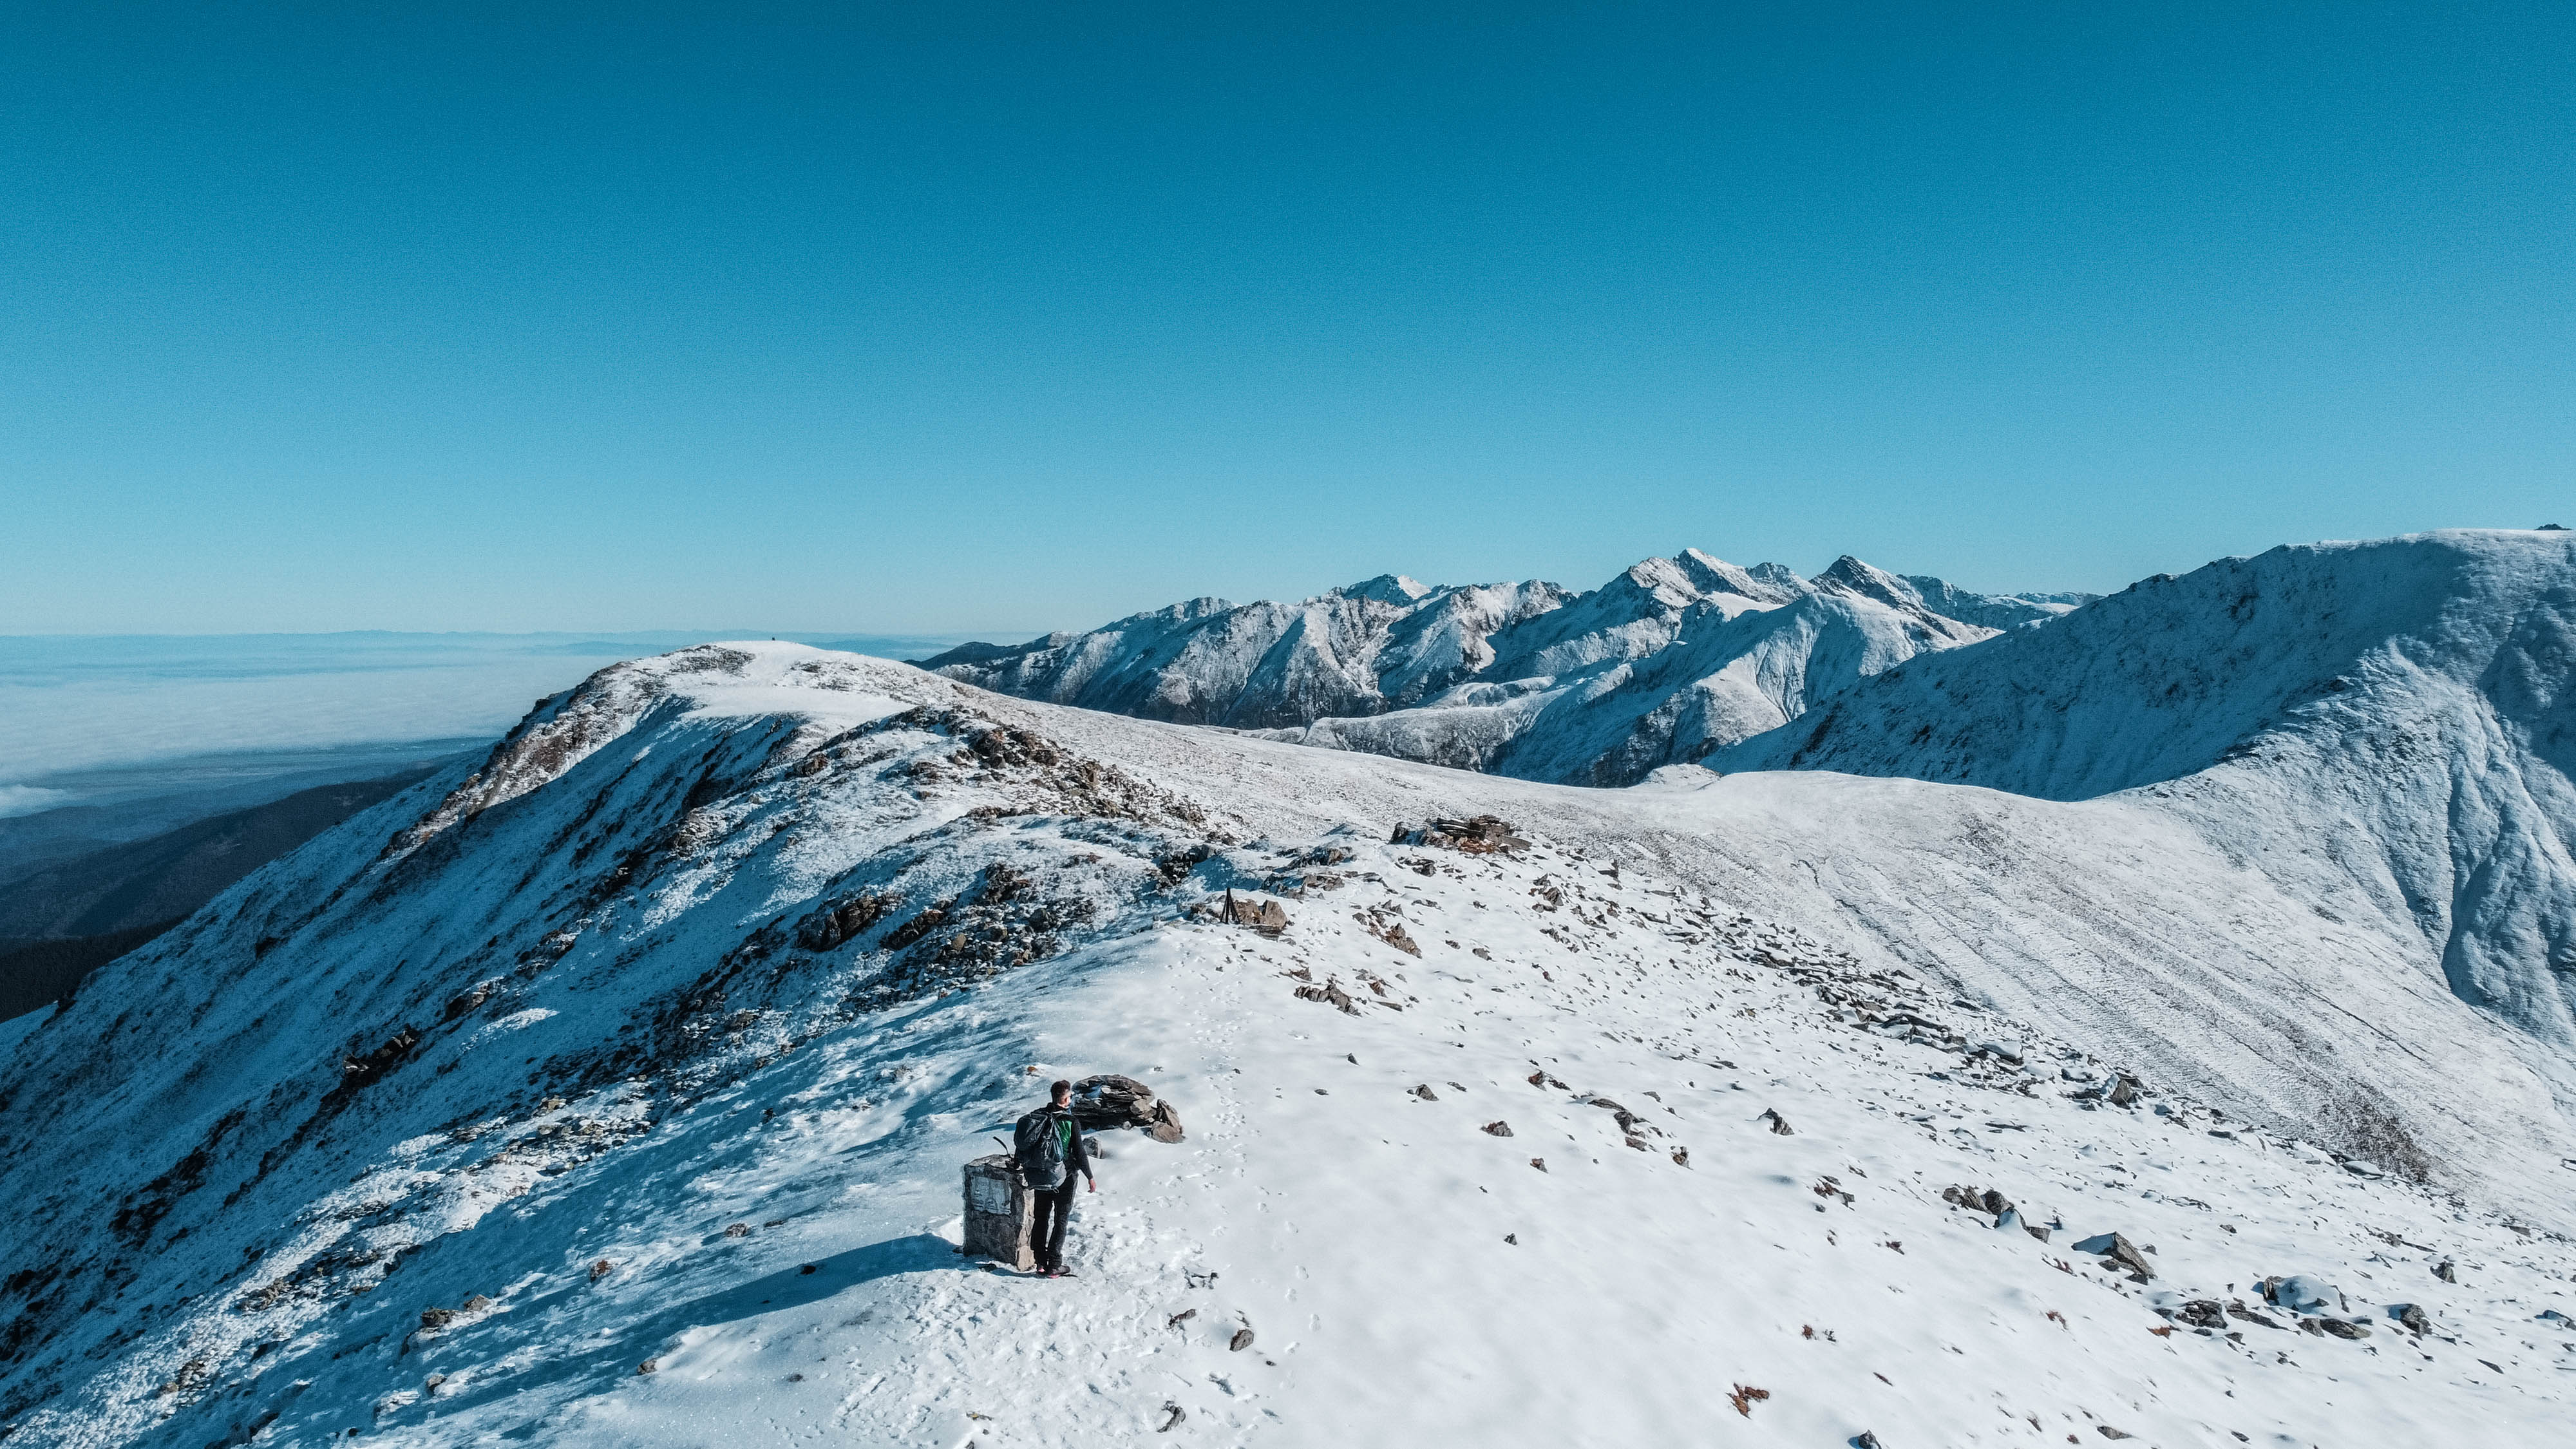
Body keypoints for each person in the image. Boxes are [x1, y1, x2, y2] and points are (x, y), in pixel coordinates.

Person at [1013, 1079, 1096, 1276]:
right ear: (1066, 1099)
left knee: (1041, 1217)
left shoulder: (1039, 1117)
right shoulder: (1070, 1121)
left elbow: (1023, 1145)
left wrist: (1017, 1163)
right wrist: (1090, 1177)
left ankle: (1041, 1262)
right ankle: (1055, 1265)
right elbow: (1080, 1153)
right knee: (1061, 1219)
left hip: (1041, 1175)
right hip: (1065, 1176)